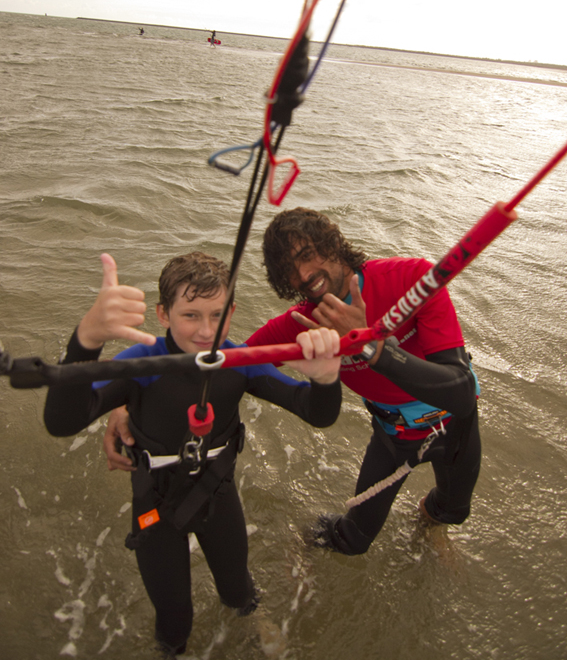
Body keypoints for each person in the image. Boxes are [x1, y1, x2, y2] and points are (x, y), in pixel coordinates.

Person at [103, 207, 481, 558]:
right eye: (288, 270)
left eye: (307, 254)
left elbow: (461, 392)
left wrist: (370, 345)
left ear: (333, 245)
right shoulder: (300, 325)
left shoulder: (410, 278)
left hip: (456, 427)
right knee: (352, 542)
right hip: (392, 435)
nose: (302, 275)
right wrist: (126, 403)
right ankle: (300, 551)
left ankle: (431, 528)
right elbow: (224, 367)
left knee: (452, 511)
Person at [44, 251, 341, 657]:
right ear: (163, 315)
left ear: (233, 310)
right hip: (155, 503)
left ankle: (251, 620)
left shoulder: (241, 362)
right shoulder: (141, 363)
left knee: (238, 588)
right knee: (173, 617)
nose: (207, 331)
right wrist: (87, 339)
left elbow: (315, 413)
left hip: (217, 492)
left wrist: (326, 379)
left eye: (218, 314)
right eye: (191, 315)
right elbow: (62, 421)